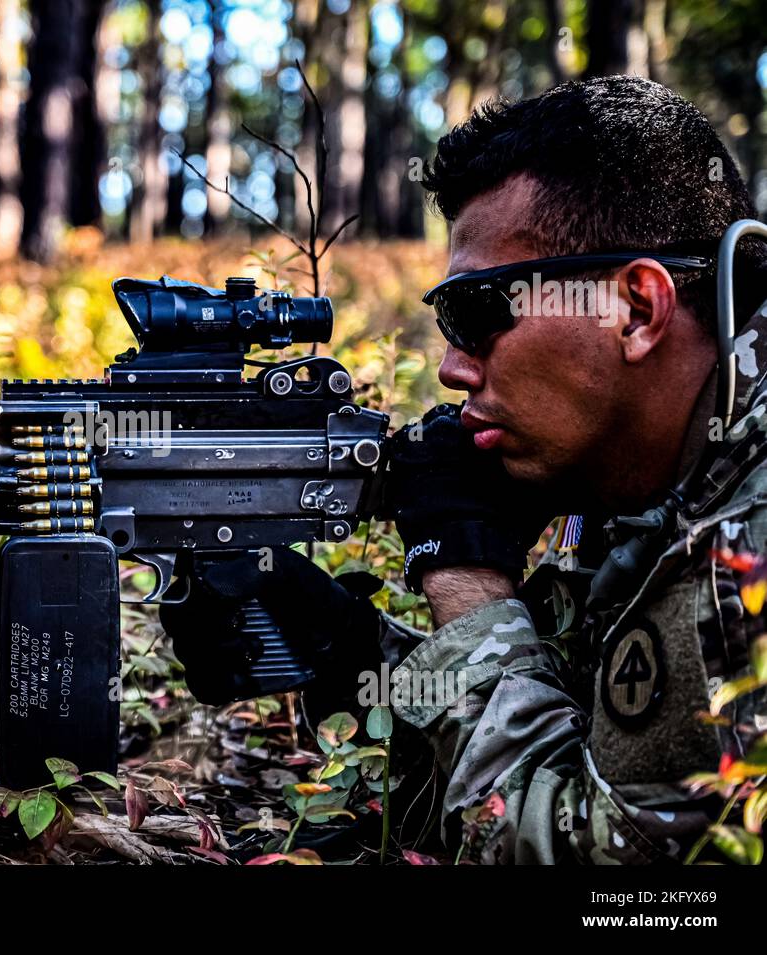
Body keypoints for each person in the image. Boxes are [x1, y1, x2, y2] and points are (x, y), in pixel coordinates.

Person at [160, 74, 767, 864]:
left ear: (637, 310)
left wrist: (469, 582)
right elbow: (547, 747)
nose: (450, 368)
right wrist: (349, 656)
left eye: (478, 312)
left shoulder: (745, 545)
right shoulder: (645, 470)